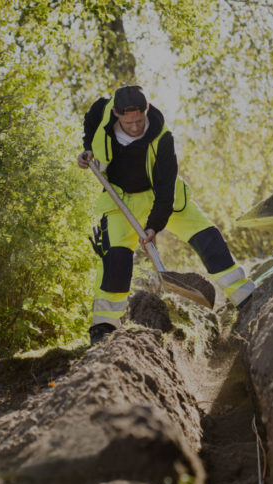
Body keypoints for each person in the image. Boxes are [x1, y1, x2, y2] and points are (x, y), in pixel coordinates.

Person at [77, 85, 255, 344]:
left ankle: (246, 298)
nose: (136, 126)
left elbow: (165, 188)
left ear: (146, 109)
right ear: (116, 113)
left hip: (162, 197)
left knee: (208, 237)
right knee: (115, 259)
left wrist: (154, 226)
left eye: (140, 120)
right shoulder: (102, 111)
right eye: (129, 122)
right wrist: (87, 150)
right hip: (120, 201)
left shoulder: (163, 137)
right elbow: (91, 121)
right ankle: (103, 327)